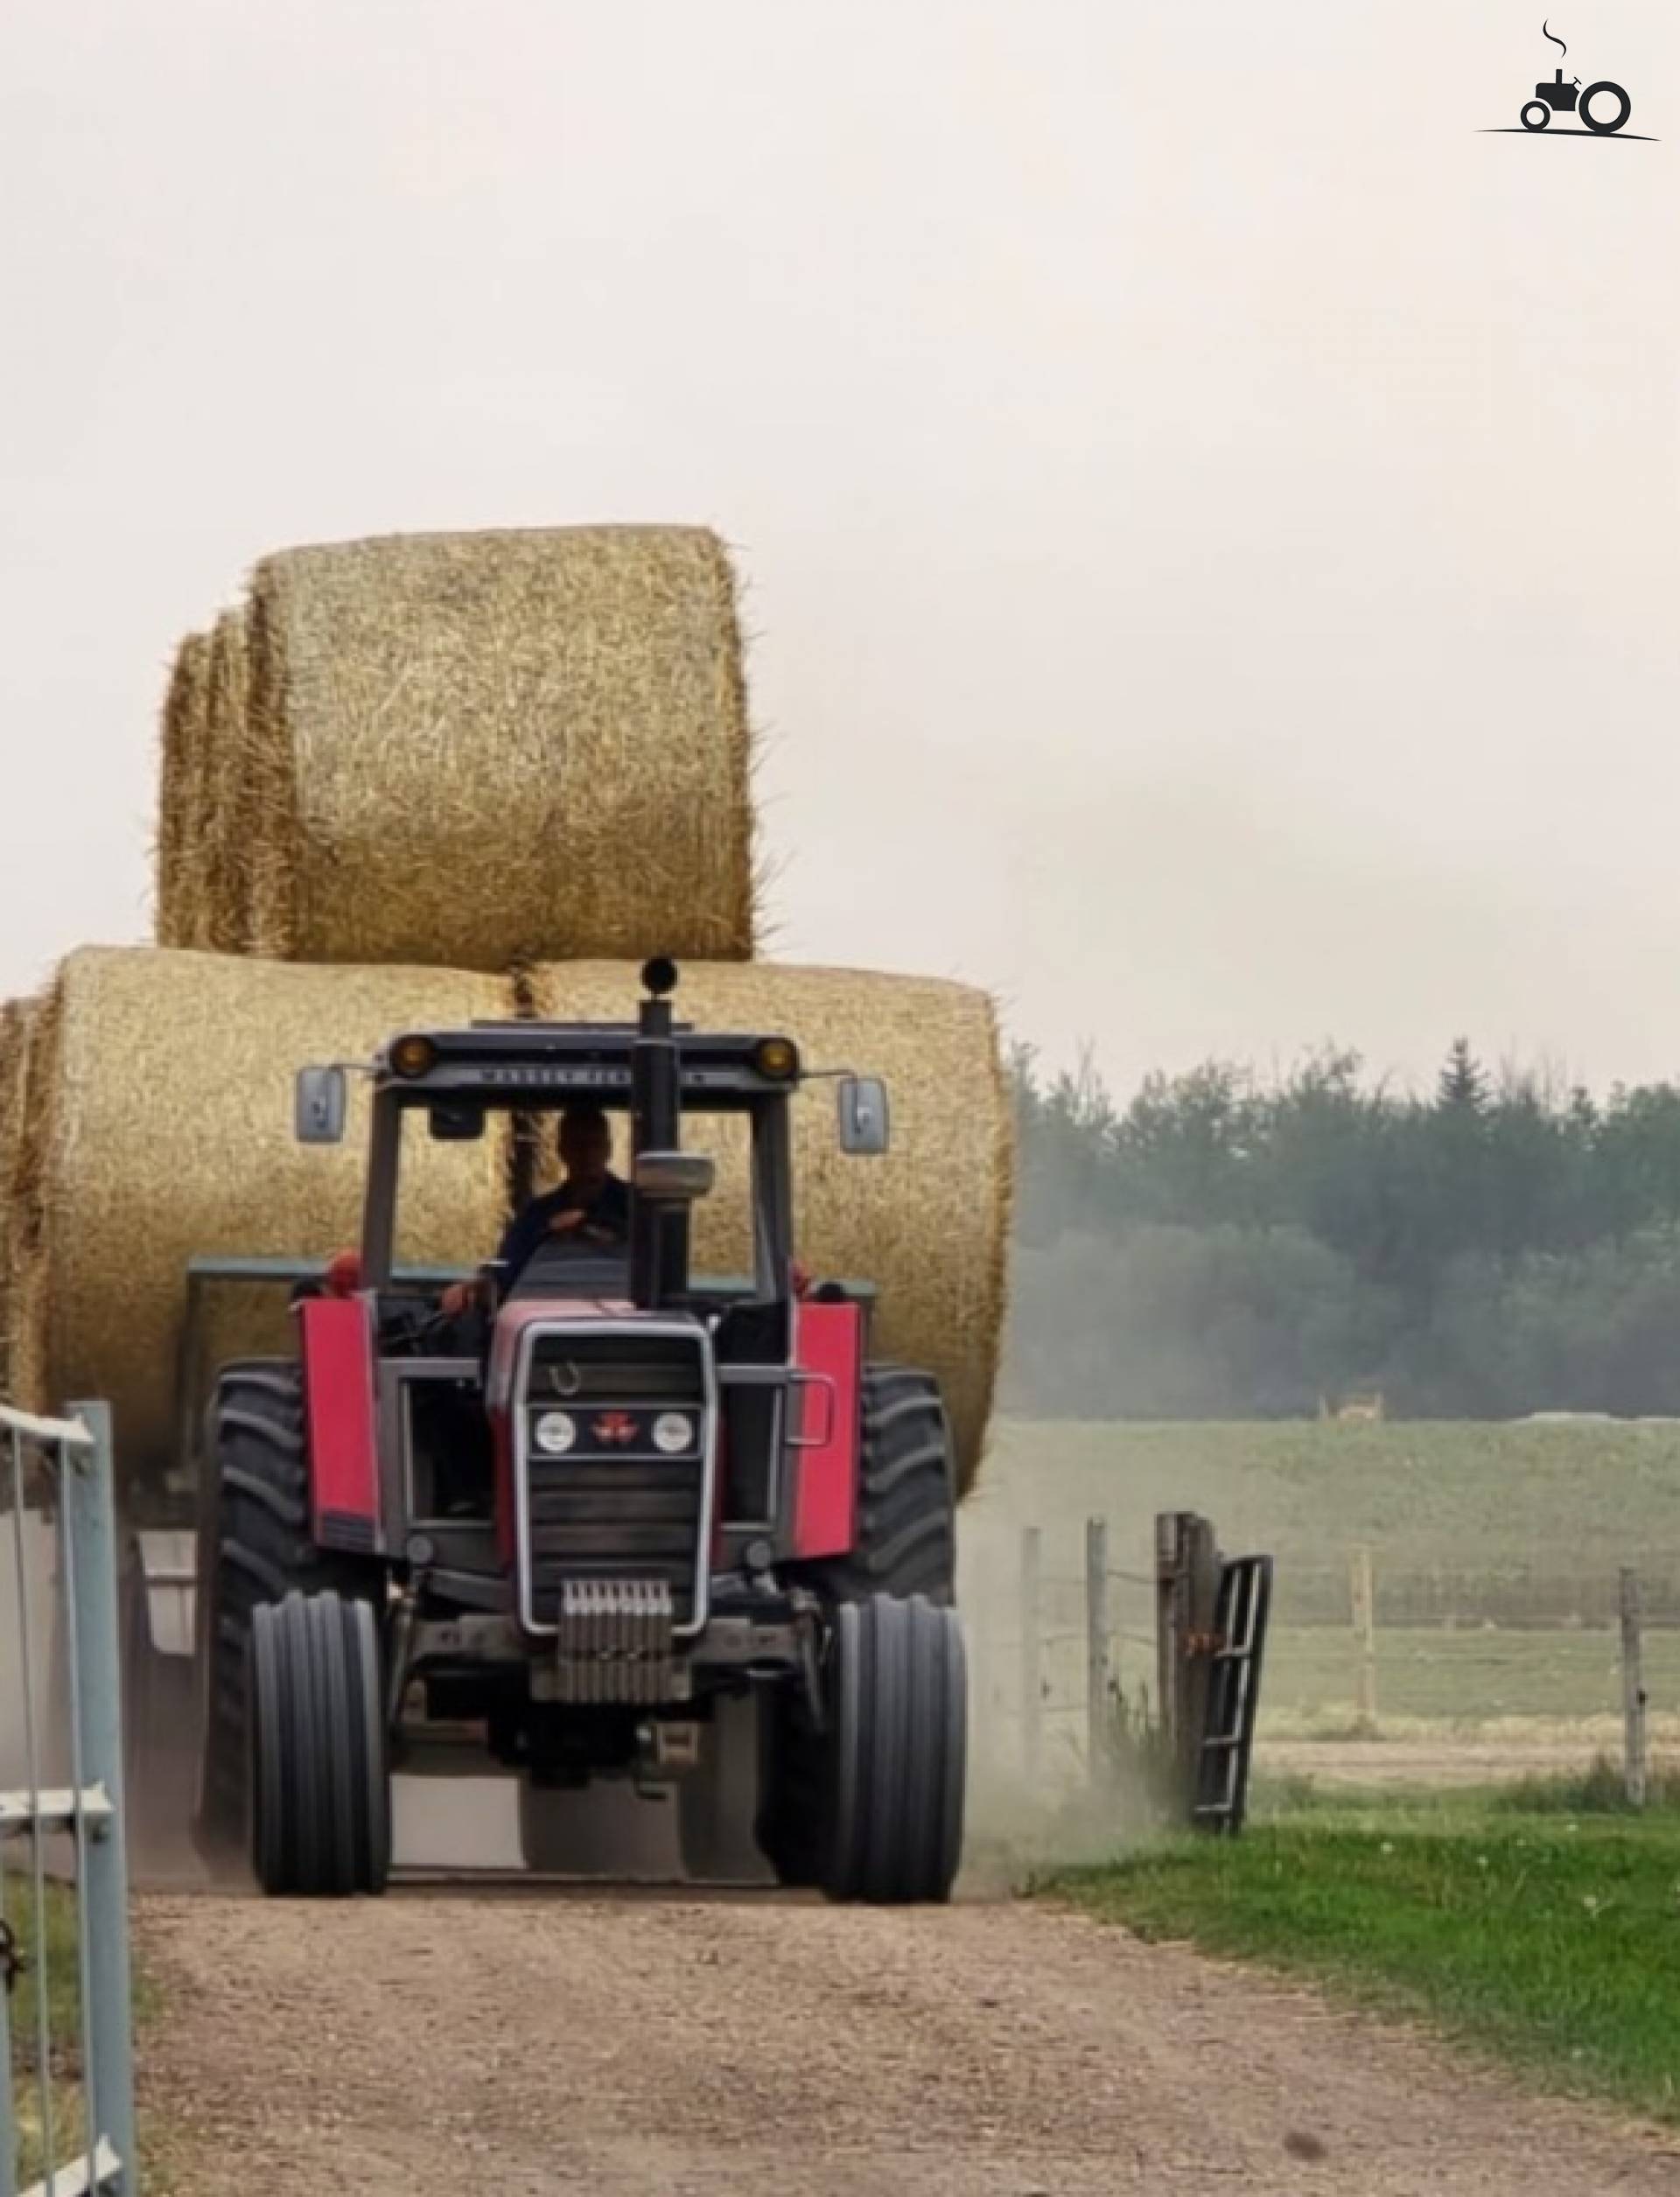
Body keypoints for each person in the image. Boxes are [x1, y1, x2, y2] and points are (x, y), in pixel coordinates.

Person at [441, 1103, 629, 1314]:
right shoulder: (537, 1215)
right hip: (547, 1315)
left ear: (609, 1149)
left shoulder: (638, 1208)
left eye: (595, 1145)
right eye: (578, 1146)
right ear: (562, 1151)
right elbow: (505, 1272)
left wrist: (593, 1231)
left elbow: (660, 1267)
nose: (587, 1154)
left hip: (624, 1316)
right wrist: (472, 1288)